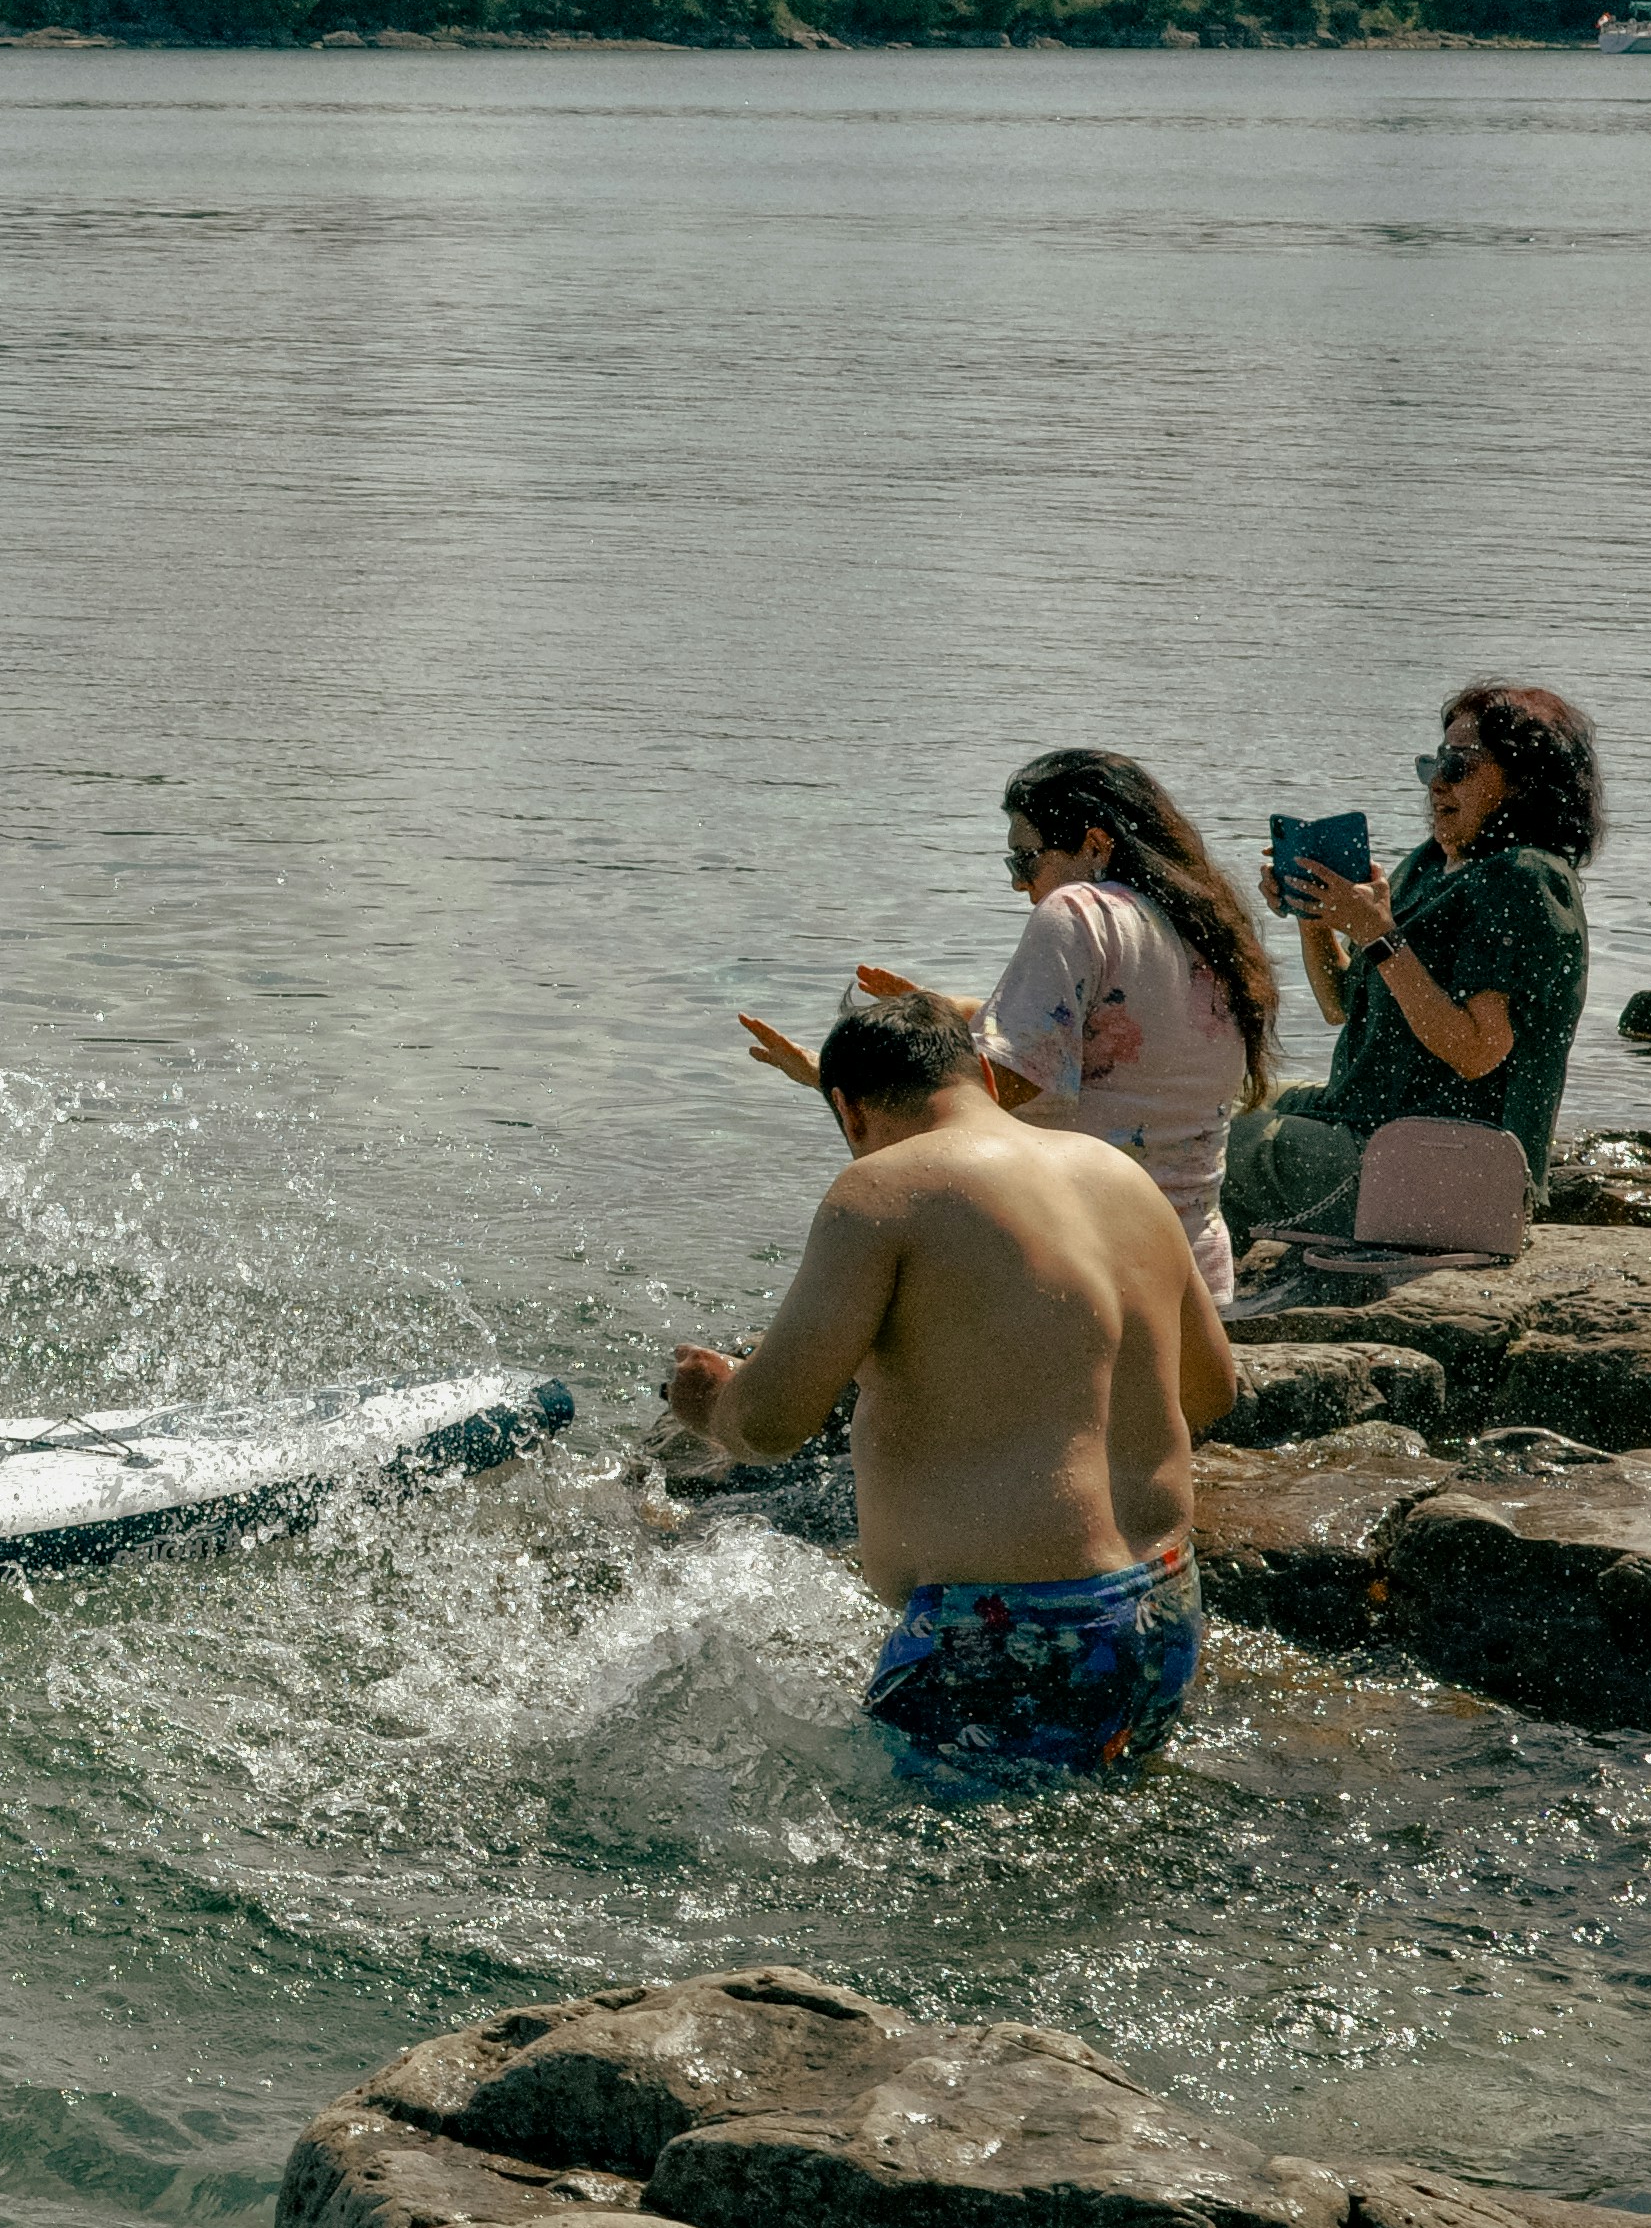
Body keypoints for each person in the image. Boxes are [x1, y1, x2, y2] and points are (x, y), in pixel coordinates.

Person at [667, 987, 1241, 1791]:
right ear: (990, 1082)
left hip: (1006, 1632)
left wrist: (707, 1402)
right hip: (1164, 1607)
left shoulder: (881, 1192)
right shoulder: (1118, 1173)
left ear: (850, 1111)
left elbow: (768, 1426)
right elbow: (1211, 1391)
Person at [748, 752, 1278, 1305]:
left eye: (1025, 859)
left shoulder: (1078, 910)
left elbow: (1002, 1089)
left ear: (1095, 846)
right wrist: (955, 1013)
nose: (1019, 885)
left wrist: (848, 1086)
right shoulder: (1210, 930)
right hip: (1193, 1279)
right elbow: (1117, 1042)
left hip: (1082, 1272)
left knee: (862, 1206)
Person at [1226, 684, 1602, 1244]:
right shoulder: (1432, 865)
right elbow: (1339, 1005)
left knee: (1194, 1141)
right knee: (1204, 1094)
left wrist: (1378, 934)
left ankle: (1185, 1305)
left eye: (1460, 766)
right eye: (1434, 763)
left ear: (1525, 780)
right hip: (1367, 1125)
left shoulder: (1523, 880)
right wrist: (1319, 912)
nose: (1438, 783)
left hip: (1440, 1171)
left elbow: (1477, 1050)